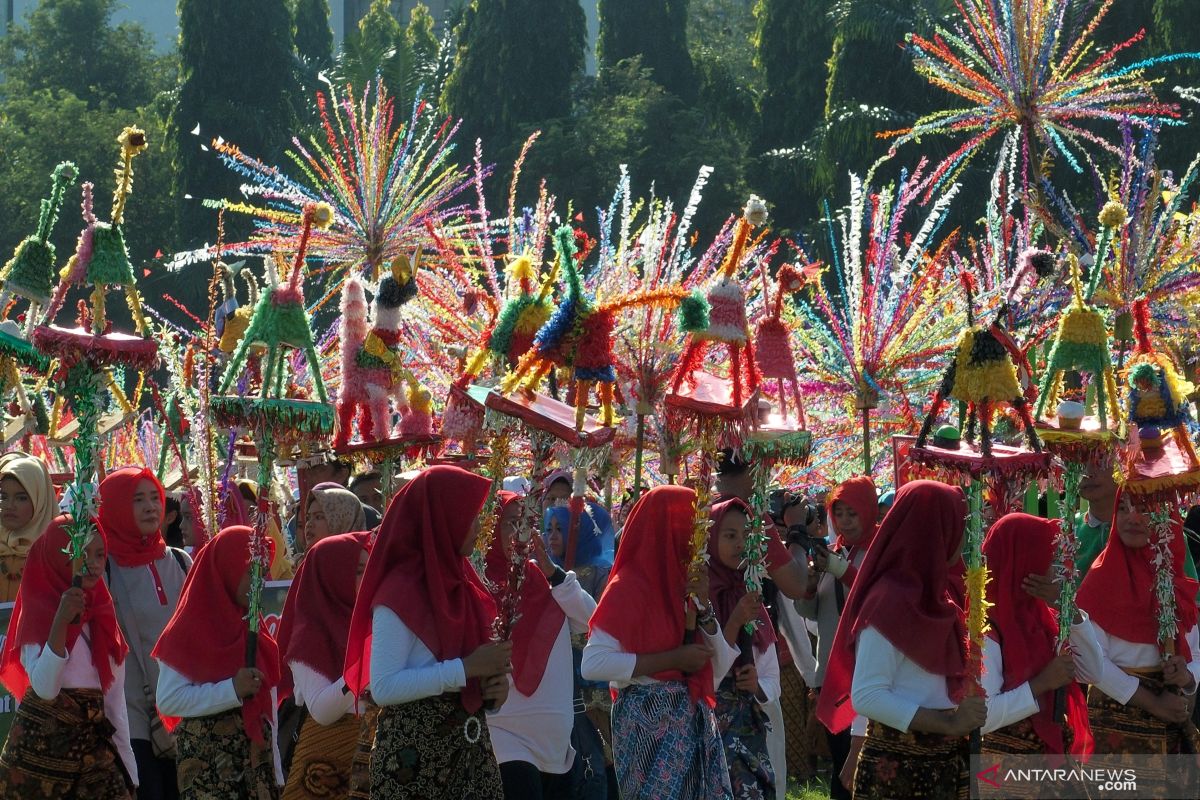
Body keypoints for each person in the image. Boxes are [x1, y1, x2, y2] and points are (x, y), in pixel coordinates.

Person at [343, 465, 512, 799]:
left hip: (470, 756)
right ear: (442, 517)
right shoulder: (399, 592)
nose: (479, 527)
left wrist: (494, 691)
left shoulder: (462, 584)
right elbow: (385, 686)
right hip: (415, 763)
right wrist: (467, 669)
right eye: (472, 515)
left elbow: (471, 677)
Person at [817, 481, 985, 800]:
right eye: (959, 525)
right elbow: (867, 695)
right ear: (936, 530)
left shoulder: (937, 595)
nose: (963, 538)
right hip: (898, 774)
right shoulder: (890, 599)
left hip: (941, 766)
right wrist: (947, 723)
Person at [581, 485, 738, 800]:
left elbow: (717, 666)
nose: (700, 539)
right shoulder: (628, 588)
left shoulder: (686, 583)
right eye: (692, 527)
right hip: (645, 723)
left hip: (690, 721)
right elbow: (593, 664)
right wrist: (673, 659)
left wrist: (705, 610)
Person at [0, 518, 137, 796]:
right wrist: (61, 622)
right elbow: (44, 688)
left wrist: (131, 778)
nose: (94, 563)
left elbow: (114, 706)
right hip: (42, 766)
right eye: (82, 553)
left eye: (100, 554)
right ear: (59, 553)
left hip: (95, 762)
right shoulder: (39, 611)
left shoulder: (103, 615)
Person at [153, 526, 283, 799]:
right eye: (250, 572)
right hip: (209, 772)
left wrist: (276, 774)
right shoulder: (188, 629)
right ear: (226, 569)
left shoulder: (252, 626)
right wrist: (232, 690)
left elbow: (266, 706)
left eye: (262, 573)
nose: (258, 582)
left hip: (255, 770)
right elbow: (169, 700)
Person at [1076, 489, 1200, 761]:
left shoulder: (1174, 576)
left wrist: (1187, 679)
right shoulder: (1100, 580)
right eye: (1122, 508)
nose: (1132, 518)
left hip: (1170, 722)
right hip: (1115, 724)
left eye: (1144, 509)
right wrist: (1154, 703)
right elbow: (1094, 663)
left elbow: (1195, 650)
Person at [488, 492, 598, 798]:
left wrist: (553, 572)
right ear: (489, 528)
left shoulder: (542, 579)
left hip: (555, 742)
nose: (520, 533)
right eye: (510, 523)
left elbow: (592, 619)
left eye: (525, 523)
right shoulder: (478, 582)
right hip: (504, 735)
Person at [99, 467, 192, 800]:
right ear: (114, 507)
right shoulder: (103, 568)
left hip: (185, 710)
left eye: (155, 497)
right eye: (137, 500)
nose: (150, 507)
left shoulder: (181, 562)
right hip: (132, 714)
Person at [978, 513, 1098, 761]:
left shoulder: (1044, 618)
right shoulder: (986, 628)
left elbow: (1093, 672)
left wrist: (1069, 611)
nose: (1056, 569)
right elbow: (983, 716)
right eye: (1050, 558)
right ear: (1024, 563)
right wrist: (1041, 683)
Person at [796, 475, 878, 800]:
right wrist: (811, 581)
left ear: (869, 512)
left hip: (865, 672)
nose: (845, 521)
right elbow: (810, 611)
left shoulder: (878, 553)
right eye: (838, 513)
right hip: (830, 672)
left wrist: (841, 570)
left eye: (853, 513)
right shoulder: (832, 551)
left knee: (859, 768)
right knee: (840, 761)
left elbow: (875, 601)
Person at [277, 531, 370, 800]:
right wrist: (366, 665)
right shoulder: (309, 635)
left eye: (370, 568)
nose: (367, 579)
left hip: (368, 760)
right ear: (332, 577)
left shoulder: (373, 621)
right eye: (358, 571)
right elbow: (322, 710)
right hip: (325, 768)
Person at [708, 498, 780, 798]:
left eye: (745, 536)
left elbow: (772, 677)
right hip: (709, 729)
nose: (739, 543)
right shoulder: (701, 595)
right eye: (729, 535)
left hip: (748, 731)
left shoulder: (752, 595)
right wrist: (734, 620)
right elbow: (704, 672)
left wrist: (758, 685)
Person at [0, 452, 57, 603]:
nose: (9, 506)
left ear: (39, 502)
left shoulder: (57, 554)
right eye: (3, 497)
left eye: (21, 498)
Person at [543, 501, 615, 600]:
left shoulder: (599, 575)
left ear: (580, 532)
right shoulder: (545, 567)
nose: (552, 537)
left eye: (560, 529)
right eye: (549, 530)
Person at [302, 483, 366, 552]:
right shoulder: (305, 560)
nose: (309, 524)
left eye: (318, 517)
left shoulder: (362, 561)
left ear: (343, 521)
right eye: (308, 518)